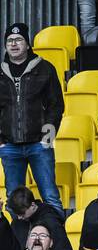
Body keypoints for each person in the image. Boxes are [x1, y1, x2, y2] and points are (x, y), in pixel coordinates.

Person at [0, 24, 64, 211]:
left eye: (19, 40)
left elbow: (56, 105)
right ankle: (18, 241)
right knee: (13, 201)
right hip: (9, 146)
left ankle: (56, 239)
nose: (14, 44)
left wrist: (48, 138)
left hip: (39, 144)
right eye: (9, 41)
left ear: (27, 44)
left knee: (50, 197)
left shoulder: (45, 68)